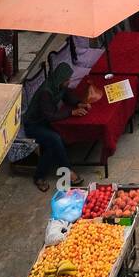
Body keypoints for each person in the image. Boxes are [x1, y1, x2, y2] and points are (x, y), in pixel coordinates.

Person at [23, 64, 90, 192]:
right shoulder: (45, 93)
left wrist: (78, 103)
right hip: (34, 125)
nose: (68, 82)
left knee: (51, 146)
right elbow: (50, 116)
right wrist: (72, 112)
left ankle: (39, 177)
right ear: (60, 79)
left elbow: (66, 96)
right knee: (55, 138)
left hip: (45, 123)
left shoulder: (58, 86)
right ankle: (67, 171)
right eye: (66, 80)